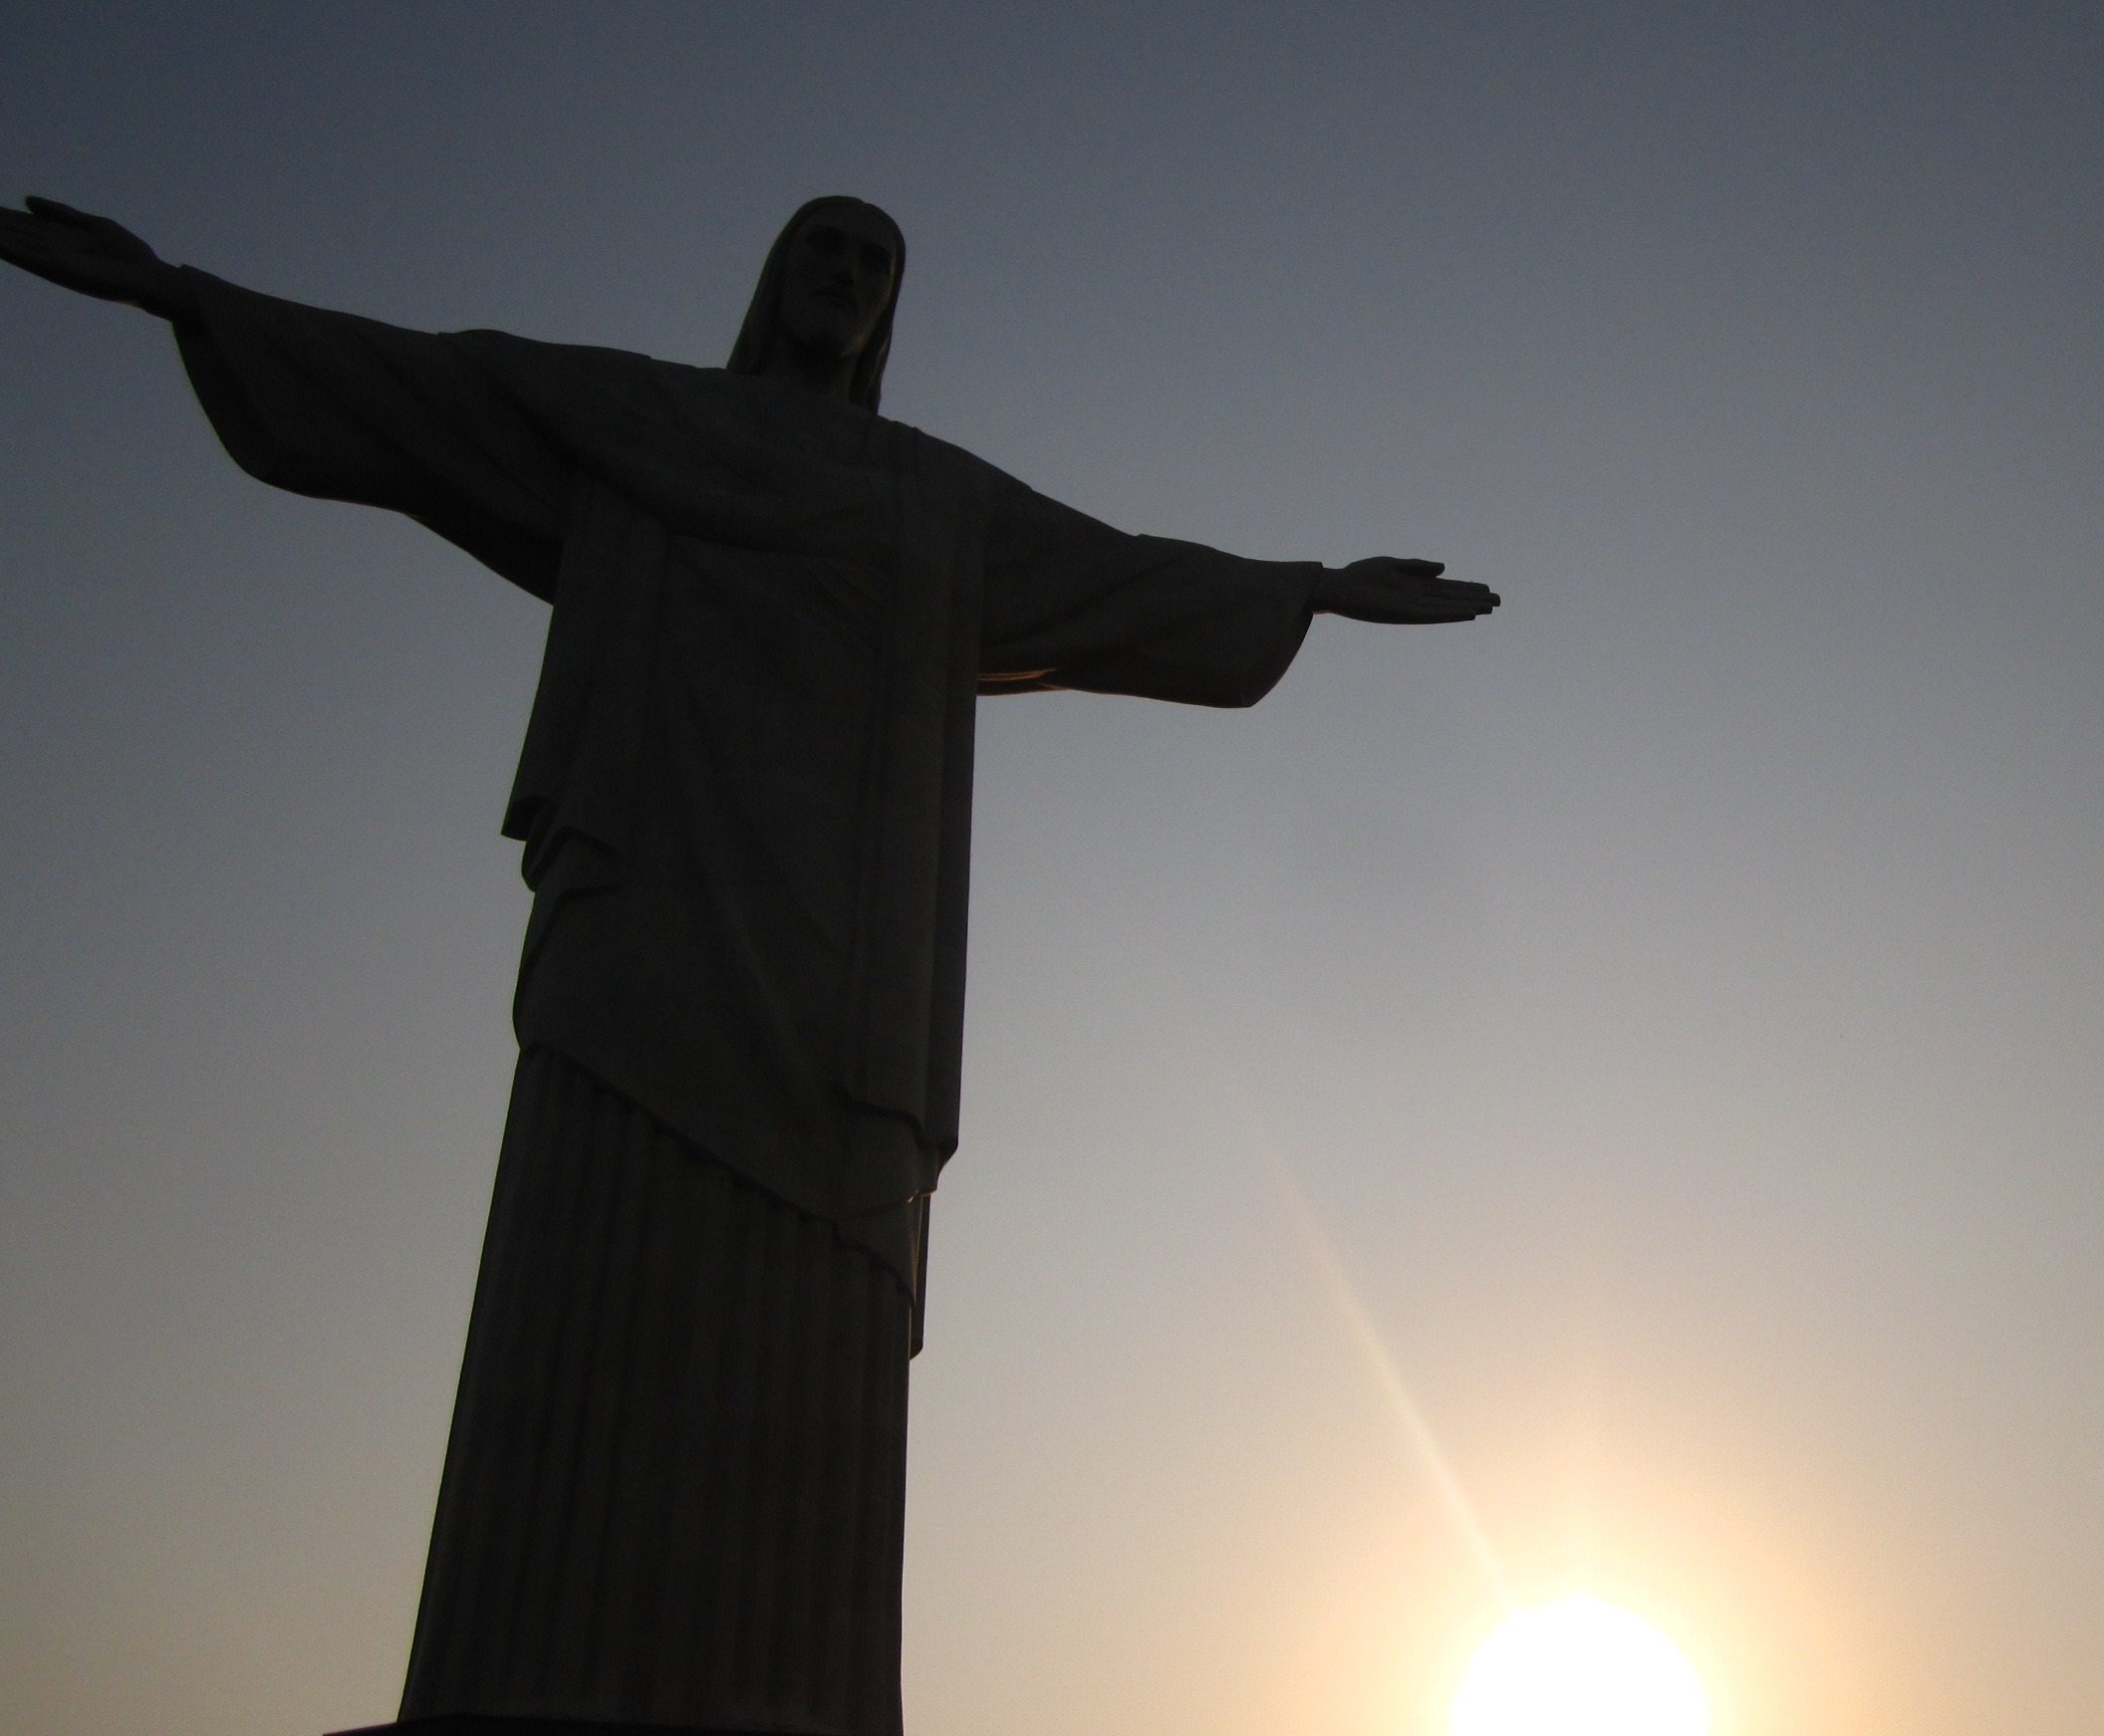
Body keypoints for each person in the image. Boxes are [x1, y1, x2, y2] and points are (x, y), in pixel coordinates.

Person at [0, 193, 1497, 1736]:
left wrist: (1309, 588)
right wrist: (175, 294)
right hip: (644, 911)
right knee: (593, 1262)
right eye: (822, 248)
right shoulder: (643, 418)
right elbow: (427, 383)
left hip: (842, 978)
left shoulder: (928, 498)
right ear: (776, 275)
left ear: (890, 308)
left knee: (813, 1297)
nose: (844, 275)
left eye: (874, 261)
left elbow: (1110, 575)